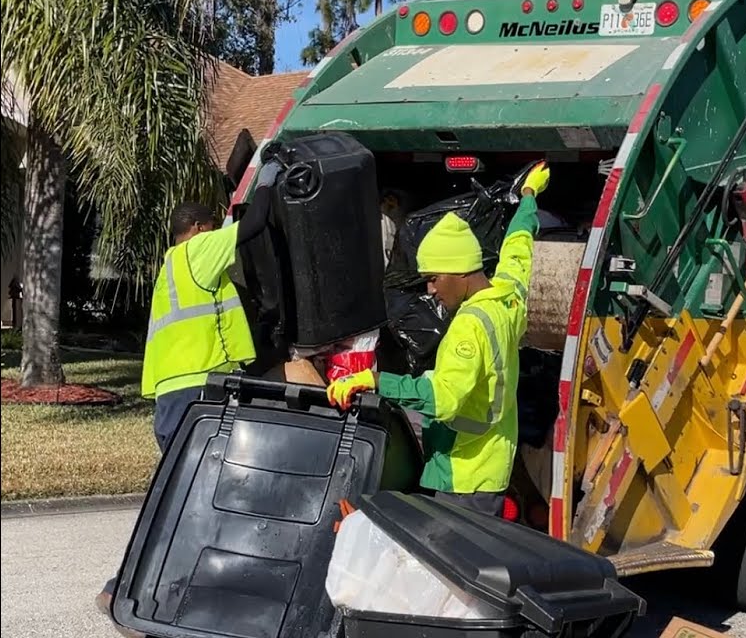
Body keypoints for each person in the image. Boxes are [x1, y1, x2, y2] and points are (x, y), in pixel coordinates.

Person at [327, 162, 550, 517]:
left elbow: (444, 400)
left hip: (462, 476)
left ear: (459, 271)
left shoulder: (468, 326)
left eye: (433, 279)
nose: (431, 291)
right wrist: (528, 196)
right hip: (491, 468)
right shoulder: (509, 297)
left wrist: (374, 380)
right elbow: (518, 247)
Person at [96, 185, 272, 630]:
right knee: (195, 499)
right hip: (202, 392)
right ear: (197, 229)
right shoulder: (198, 251)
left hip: (175, 398)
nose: (219, 241)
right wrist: (271, 178)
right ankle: (127, 590)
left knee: (186, 495)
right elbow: (251, 226)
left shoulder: (170, 268)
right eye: (213, 229)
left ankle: (128, 588)